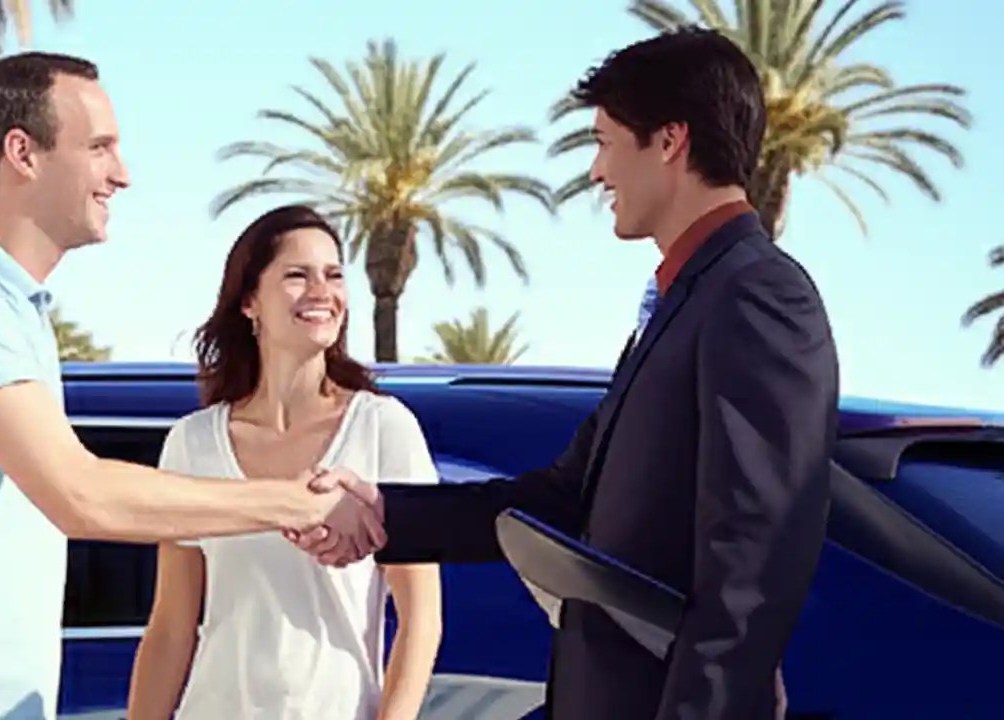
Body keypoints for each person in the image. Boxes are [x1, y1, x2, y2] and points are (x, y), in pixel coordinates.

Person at [0, 53, 379, 720]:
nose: (122, 175)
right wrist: (301, 504)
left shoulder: (8, 308)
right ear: (23, 152)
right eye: (100, 147)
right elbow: (80, 495)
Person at [293, 27, 839, 720]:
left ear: (670, 142)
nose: (596, 172)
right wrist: (380, 512)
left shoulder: (758, 294)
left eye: (606, 142)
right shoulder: (688, 303)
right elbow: (562, 499)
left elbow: (755, 562)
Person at [125, 205, 443, 720]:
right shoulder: (192, 442)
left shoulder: (383, 428)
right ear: (249, 300)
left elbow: (422, 618)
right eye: (297, 275)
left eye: (334, 274)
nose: (322, 291)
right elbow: (171, 625)